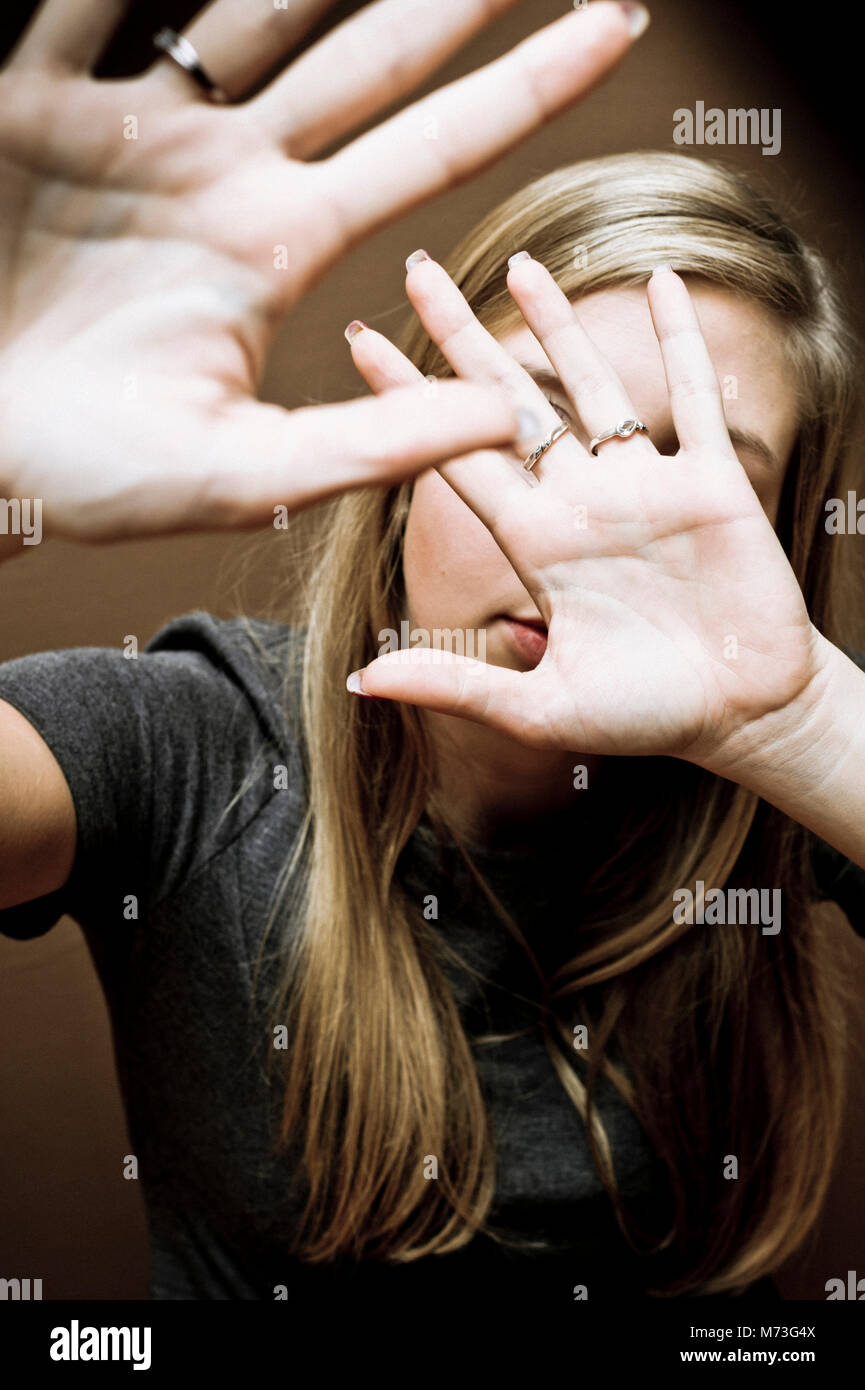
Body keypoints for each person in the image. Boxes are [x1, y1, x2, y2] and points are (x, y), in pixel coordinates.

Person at [1, 0, 863, 1304]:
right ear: (400, 468)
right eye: (525, 433)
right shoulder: (185, 739)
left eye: (698, 476)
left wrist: (804, 725)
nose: (581, 531)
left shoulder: (788, 802)